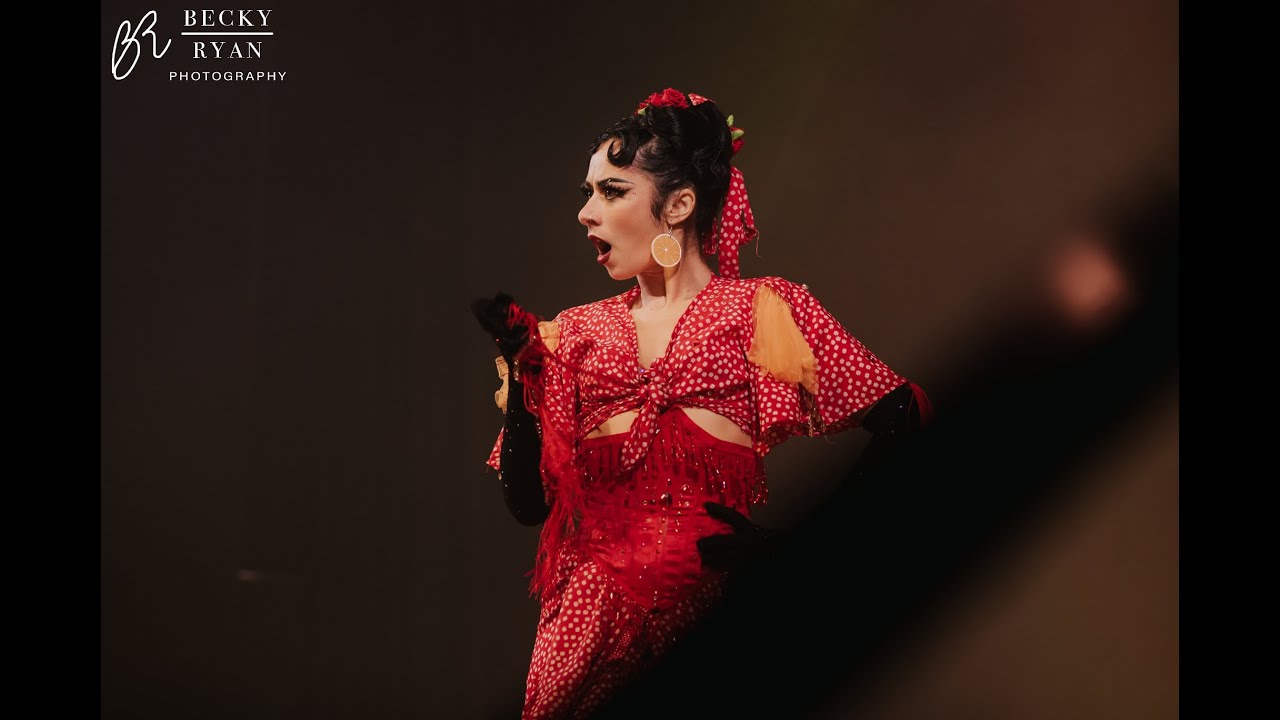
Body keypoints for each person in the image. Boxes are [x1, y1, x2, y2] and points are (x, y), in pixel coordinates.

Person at [473, 87, 932, 719]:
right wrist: (525, 374)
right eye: (587, 192)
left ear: (680, 204)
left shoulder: (760, 312)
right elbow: (527, 505)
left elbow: (905, 416)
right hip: (585, 631)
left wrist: (795, 545)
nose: (586, 213)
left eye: (611, 191)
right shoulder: (571, 336)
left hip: (715, 619)